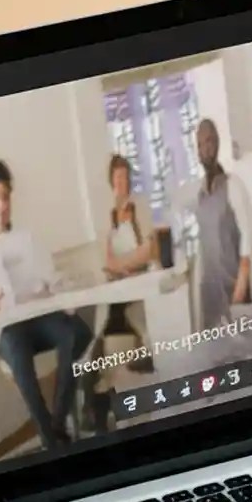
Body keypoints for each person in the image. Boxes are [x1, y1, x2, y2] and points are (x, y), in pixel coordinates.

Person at [0, 160, 93, 449]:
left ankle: (55, 425)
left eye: (5, 198)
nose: (1, 206)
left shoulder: (26, 237)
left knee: (78, 332)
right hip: (9, 328)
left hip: (38, 318)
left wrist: (62, 289)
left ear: (11, 198)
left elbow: (48, 275)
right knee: (17, 352)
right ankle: (53, 442)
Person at [169, 118, 252, 329]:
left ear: (217, 143)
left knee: (244, 351)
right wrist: (179, 251)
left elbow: (247, 235)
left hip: (234, 287)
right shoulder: (198, 193)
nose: (205, 148)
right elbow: (174, 208)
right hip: (209, 292)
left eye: (209, 141)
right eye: (200, 144)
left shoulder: (233, 186)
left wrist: (241, 286)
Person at [99, 155, 156, 376]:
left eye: (125, 177)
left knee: (126, 310)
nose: (122, 181)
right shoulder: (110, 215)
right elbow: (108, 259)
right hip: (121, 281)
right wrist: (118, 267)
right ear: (111, 181)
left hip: (143, 276)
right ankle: (99, 375)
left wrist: (124, 263)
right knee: (104, 317)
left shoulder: (139, 206)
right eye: (118, 177)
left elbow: (149, 249)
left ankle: (147, 349)